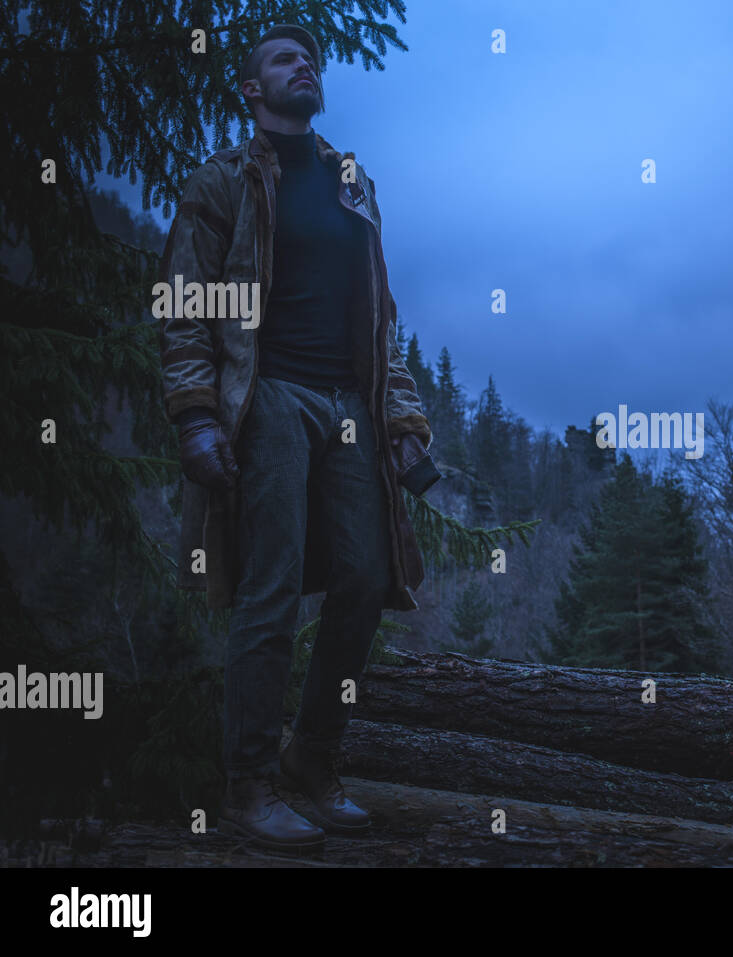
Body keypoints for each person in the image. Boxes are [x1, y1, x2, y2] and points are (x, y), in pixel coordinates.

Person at [158, 24, 441, 848]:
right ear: (251, 89)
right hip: (268, 394)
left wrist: (403, 419)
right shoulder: (223, 182)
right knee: (270, 585)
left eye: (310, 59)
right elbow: (184, 304)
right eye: (284, 59)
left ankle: (309, 760)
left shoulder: (353, 184)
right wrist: (197, 413)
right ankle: (246, 785)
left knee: (367, 576)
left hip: (349, 401)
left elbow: (381, 318)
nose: (304, 65)